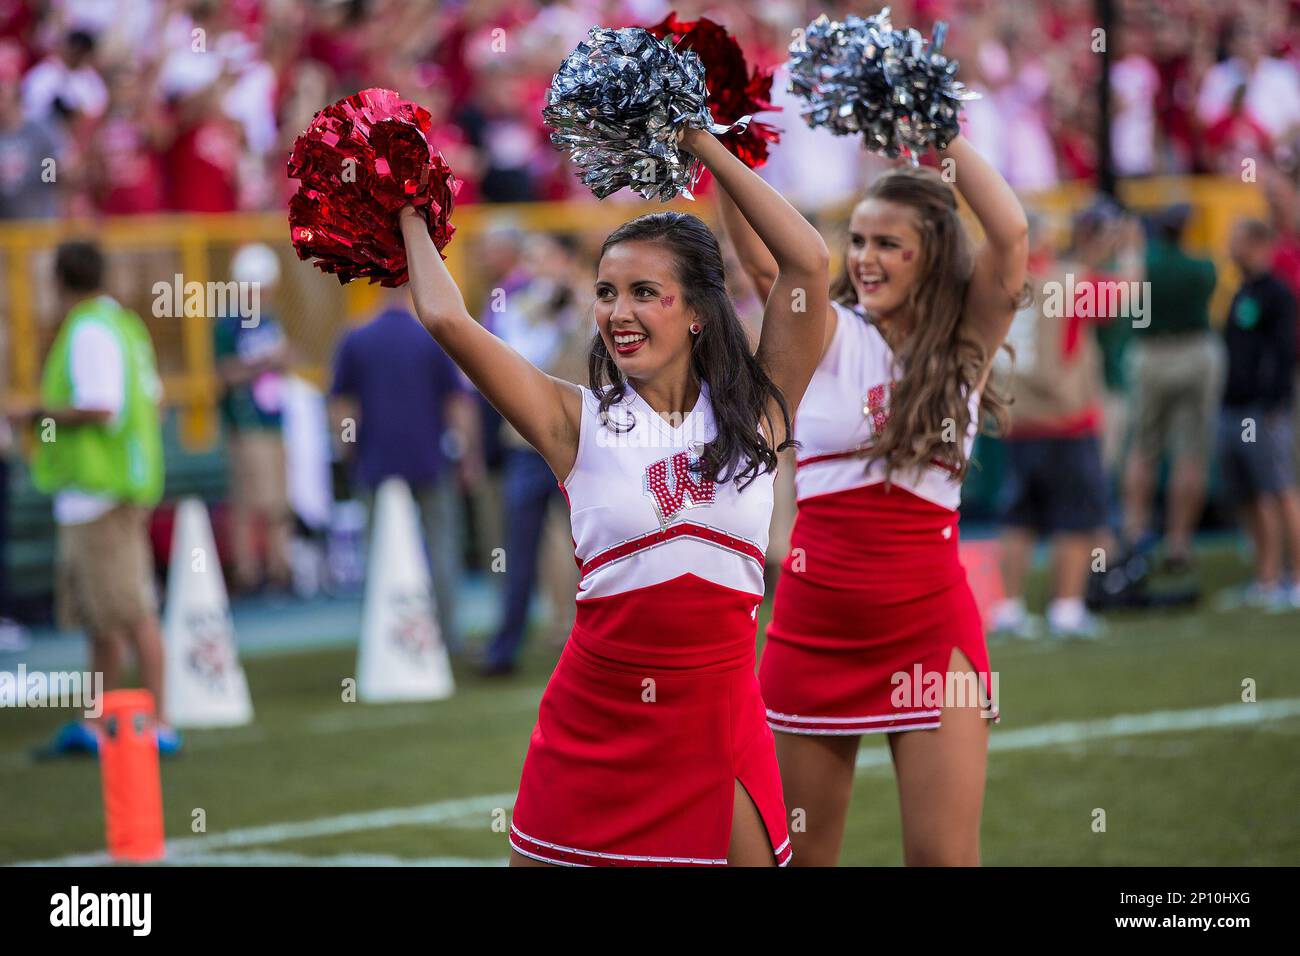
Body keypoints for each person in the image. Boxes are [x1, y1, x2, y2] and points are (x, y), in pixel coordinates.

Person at [399, 125, 829, 866]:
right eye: (605, 292)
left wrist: (703, 142)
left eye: (643, 293)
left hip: (719, 725)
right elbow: (445, 318)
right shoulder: (575, 419)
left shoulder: (759, 409)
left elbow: (809, 264)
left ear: (696, 309)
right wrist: (405, 203)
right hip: (594, 727)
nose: (618, 312)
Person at [720, 137, 1029, 866]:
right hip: (812, 627)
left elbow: (1011, 235)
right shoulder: (824, 332)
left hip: (931, 628)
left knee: (943, 859)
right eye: (857, 241)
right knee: (797, 857)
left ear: (934, 256)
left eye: (889, 244)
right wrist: (723, 149)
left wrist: (936, 124)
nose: (865, 259)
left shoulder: (966, 342)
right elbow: (770, 262)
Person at [19, 240, 178, 755]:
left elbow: (101, 406)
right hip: (115, 485)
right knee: (103, 618)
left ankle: (159, 722)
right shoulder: (122, 326)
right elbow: (150, 404)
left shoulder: (88, 329)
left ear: (59, 280)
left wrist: (36, 414)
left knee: (129, 612)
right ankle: (101, 721)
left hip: (100, 492)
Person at [329, 286, 481, 653]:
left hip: (376, 463)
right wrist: (466, 456)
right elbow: (457, 404)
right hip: (429, 461)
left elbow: (340, 407)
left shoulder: (356, 337)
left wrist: (350, 451)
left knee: (378, 550)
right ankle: (448, 637)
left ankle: (381, 638)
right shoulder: (430, 338)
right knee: (442, 549)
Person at [989, 213, 1109, 641]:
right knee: (1072, 520)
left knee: (1018, 519)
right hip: (1066, 423)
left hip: (1016, 419)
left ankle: (1010, 606)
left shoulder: (998, 281)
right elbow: (1121, 299)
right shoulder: (1069, 280)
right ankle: (1067, 606)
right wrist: (1116, 252)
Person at [481, 233, 585, 675]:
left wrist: (574, 306)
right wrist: (549, 311)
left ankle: (593, 638)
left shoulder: (590, 302)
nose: (536, 267)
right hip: (527, 446)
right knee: (519, 550)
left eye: (544, 257)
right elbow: (521, 355)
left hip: (581, 443)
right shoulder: (522, 306)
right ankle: (505, 646)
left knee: (594, 548)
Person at [1122, 204, 1220, 573]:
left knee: (1144, 448)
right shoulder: (1202, 266)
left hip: (1151, 355)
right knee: (1190, 452)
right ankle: (1179, 541)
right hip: (1196, 353)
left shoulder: (1144, 262)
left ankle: (1136, 534)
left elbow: (1130, 297)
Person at [1216, 219, 1300, 610]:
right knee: (1249, 493)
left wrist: (1273, 403)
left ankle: (1295, 577)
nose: (1231, 248)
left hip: (1263, 411)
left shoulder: (1278, 294)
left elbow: (1284, 354)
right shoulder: (1241, 291)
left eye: (1237, 241)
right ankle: (1266, 577)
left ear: (1258, 243)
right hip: (1235, 407)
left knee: (1278, 491)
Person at [214, 243, 292, 595]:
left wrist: (281, 360)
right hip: (246, 423)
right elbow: (225, 374)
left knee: (278, 499)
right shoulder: (229, 324)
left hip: (274, 419)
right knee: (251, 501)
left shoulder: (270, 318)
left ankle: (280, 568)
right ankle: (248, 571)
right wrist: (265, 362)